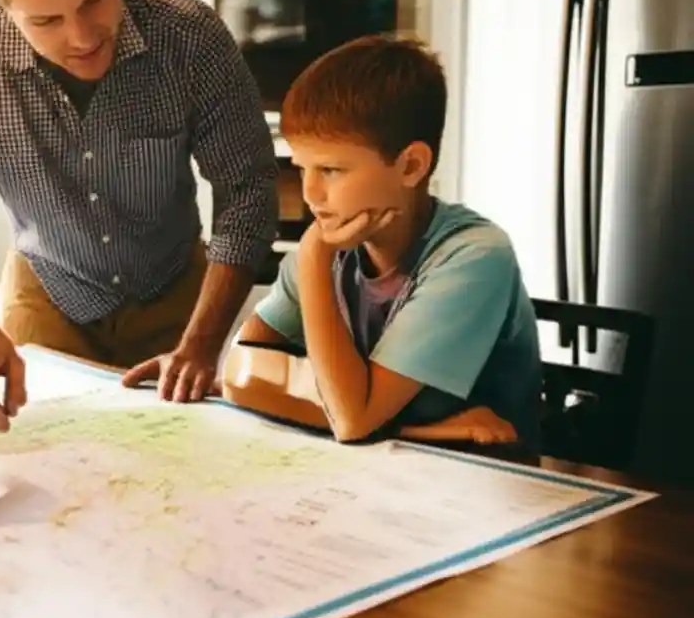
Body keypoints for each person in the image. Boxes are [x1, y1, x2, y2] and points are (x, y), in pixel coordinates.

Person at [0, 0, 279, 431]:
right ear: (2, 7)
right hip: (47, 293)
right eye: (46, 21)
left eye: (94, 0)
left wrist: (202, 342)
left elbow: (248, 190)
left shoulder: (189, 34)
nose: (83, 37)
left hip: (178, 298)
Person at [221, 35, 543, 455]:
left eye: (332, 170)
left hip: (490, 484)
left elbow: (352, 422)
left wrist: (315, 254)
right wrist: (420, 431)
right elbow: (240, 375)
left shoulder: (474, 256)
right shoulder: (335, 243)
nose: (310, 193)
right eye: (302, 168)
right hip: (390, 470)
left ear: (410, 165)